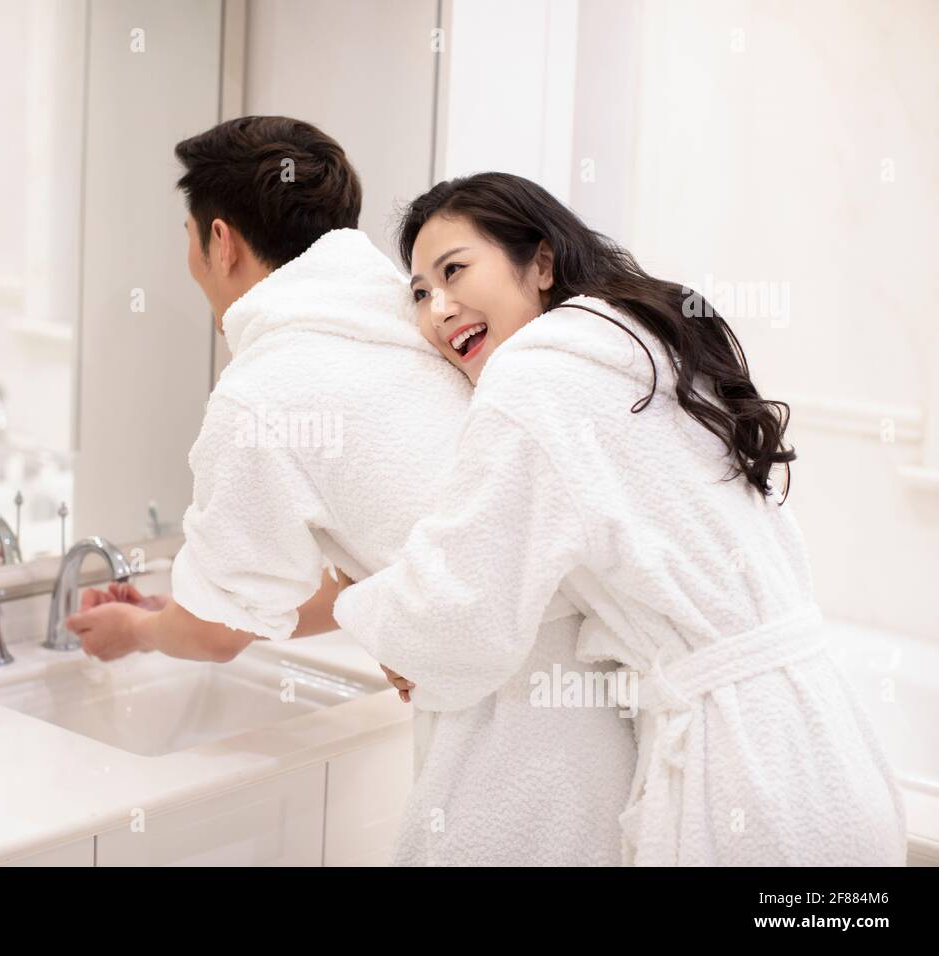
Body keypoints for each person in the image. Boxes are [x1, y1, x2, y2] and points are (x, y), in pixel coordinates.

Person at [68, 118, 635, 865]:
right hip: (608, 693)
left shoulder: (261, 393)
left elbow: (220, 631)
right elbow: (385, 558)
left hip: (517, 729)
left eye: (187, 238)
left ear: (220, 240)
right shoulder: (424, 317)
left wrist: (139, 632)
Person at [331, 171, 908, 866]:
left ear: (540, 262)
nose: (438, 308)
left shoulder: (534, 380)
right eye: (420, 293)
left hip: (741, 783)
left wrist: (371, 617)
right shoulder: (650, 347)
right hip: (831, 750)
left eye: (455, 270)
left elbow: (465, 604)